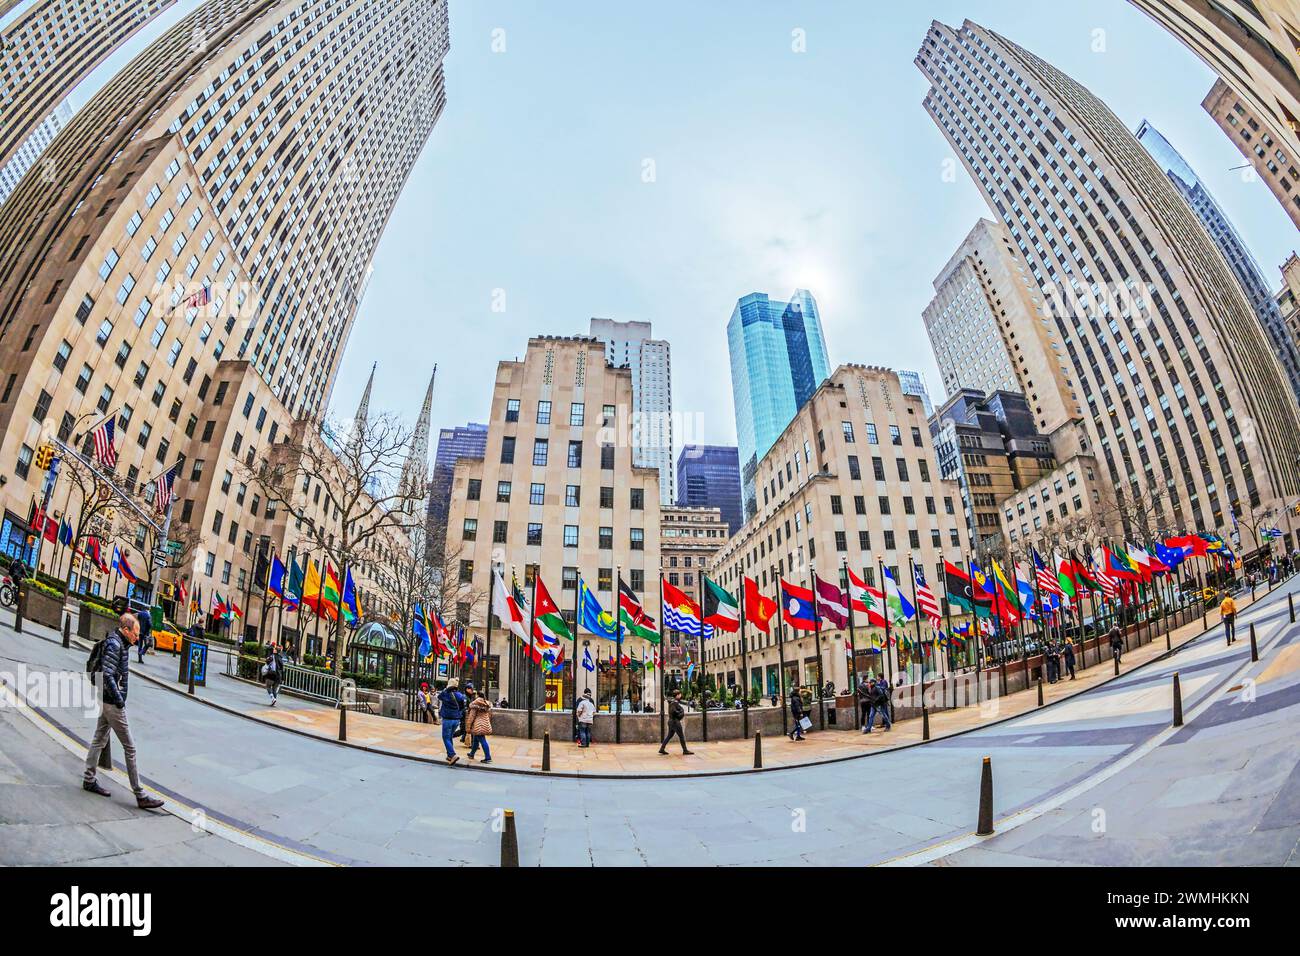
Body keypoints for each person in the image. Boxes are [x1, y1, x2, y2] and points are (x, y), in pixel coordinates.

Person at [82, 613, 166, 810]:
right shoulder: (115, 645)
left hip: (106, 699)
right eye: (135, 633)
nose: (137, 637)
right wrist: (119, 700)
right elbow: (108, 673)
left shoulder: (119, 643)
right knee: (130, 748)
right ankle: (140, 794)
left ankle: (88, 779)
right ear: (126, 630)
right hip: (112, 702)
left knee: (99, 739)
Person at [437, 678, 466, 765]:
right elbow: (462, 707)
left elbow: (439, 696)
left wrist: (446, 688)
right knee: (449, 737)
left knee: (445, 737)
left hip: (448, 719)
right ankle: (449, 755)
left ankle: (453, 755)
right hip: (456, 720)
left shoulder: (446, 694)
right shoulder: (460, 695)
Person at [659, 690, 693, 755]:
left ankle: (662, 749)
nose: (681, 695)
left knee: (669, 736)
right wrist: (680, 712)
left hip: (672, 721)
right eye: (680, 694)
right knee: (681, 736)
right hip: (675, 721)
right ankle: (685, 750)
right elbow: (673, 711)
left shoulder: (673, 702)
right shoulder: (674, 703)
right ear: (677, 695)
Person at [465, 693, 493, 764]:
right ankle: (471, 754)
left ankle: (488, 757)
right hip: (485, 724)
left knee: (482, 740)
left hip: (478, 725)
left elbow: (471, 717)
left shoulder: (475, 704)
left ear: (477, 695)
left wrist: (468, 726)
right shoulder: (486, 703)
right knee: (475, 740)